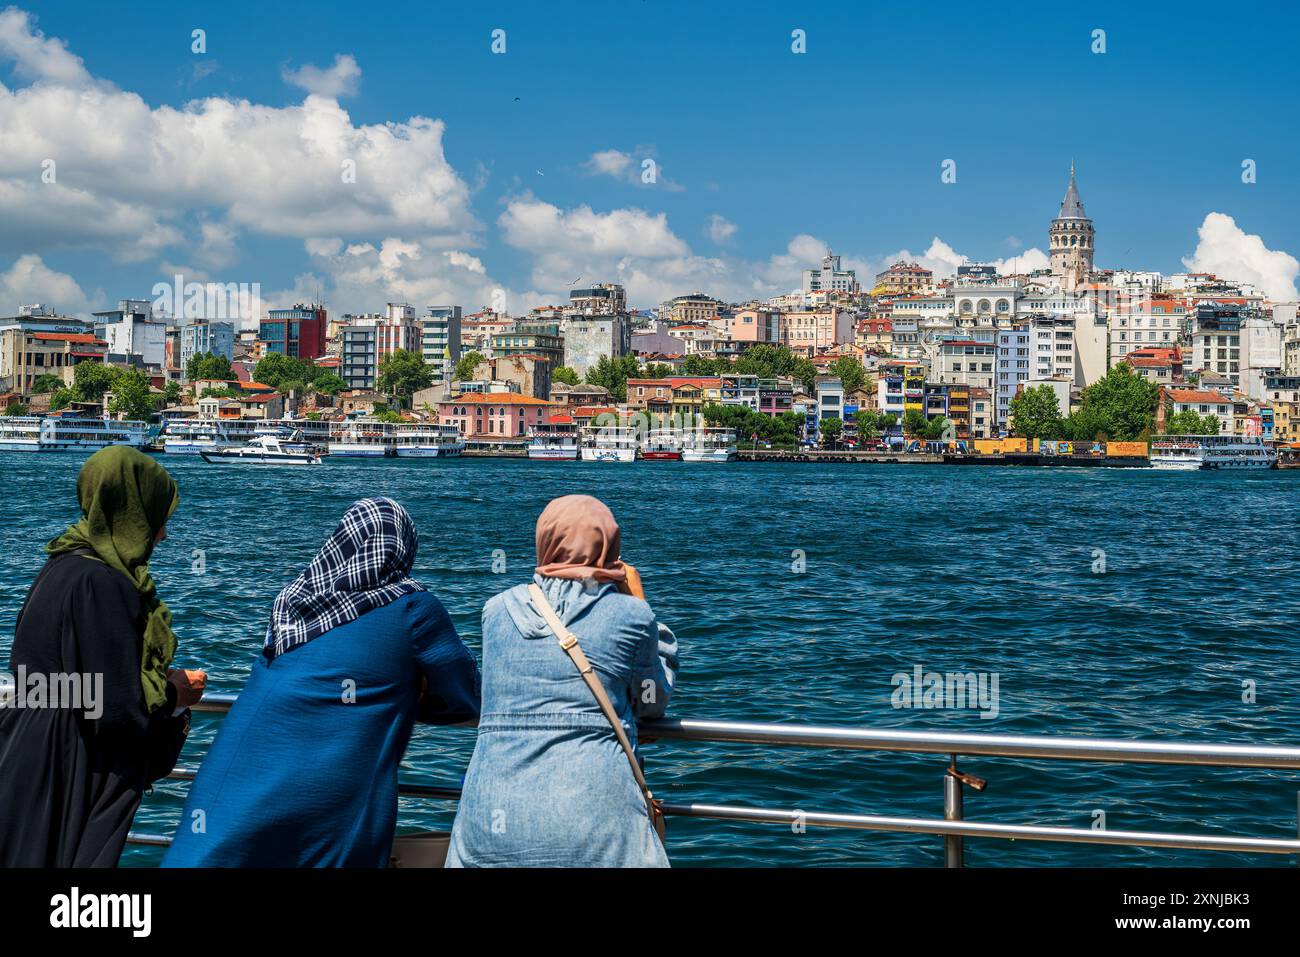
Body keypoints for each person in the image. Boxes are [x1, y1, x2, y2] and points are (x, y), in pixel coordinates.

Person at [164, 497, 480, 867]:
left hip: (235, 783)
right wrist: (411, 692)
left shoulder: (293, 599)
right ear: (404, 548)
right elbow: (467, 696)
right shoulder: (413, 608)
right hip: (327, 799)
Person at [0, 446, 205, 867]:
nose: (163, 533)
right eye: (157, 516)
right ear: (132, 510)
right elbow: (114, 707)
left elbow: (33, 674)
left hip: (24, 748)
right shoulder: (105, 581)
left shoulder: (60, 564)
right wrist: (171, 694)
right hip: (70, 764)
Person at [447, 494, 678, 867]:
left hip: (489, 815)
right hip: (594, 824)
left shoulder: (496, 610)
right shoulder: (631, 616)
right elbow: (651, 702)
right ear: (610, 546)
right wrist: (640, 601)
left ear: (545, 541)